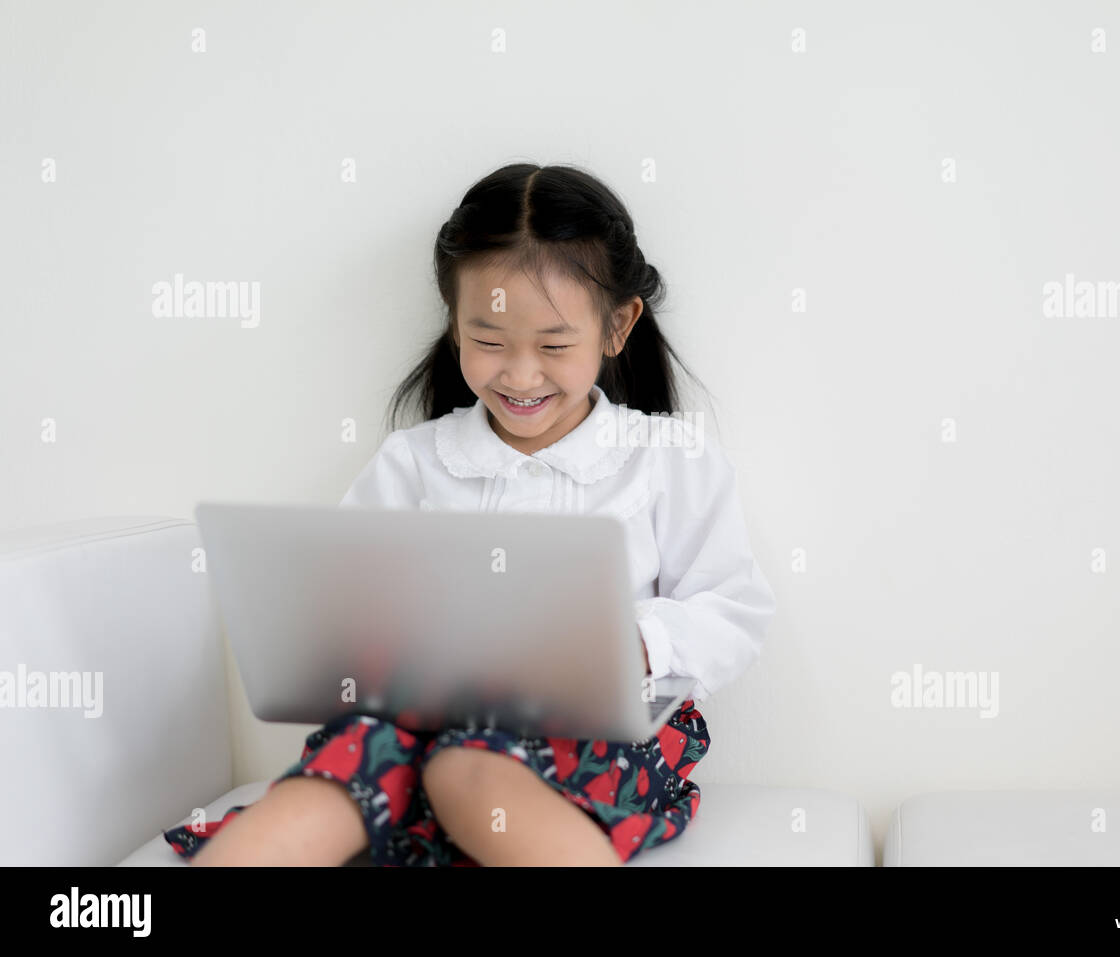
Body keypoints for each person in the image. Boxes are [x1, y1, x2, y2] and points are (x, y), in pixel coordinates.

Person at [161, 163, 777, 866]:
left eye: (553, 345)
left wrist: (632, 641)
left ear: (616, 326)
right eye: (488, 341)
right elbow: (342, 608)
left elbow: (735, 607)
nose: (518, 375)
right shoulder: (414, 462)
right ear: (456, 325)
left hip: (601, 733)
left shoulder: (667, 458)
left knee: (466, 769)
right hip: (423, 723)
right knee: (347, 763)